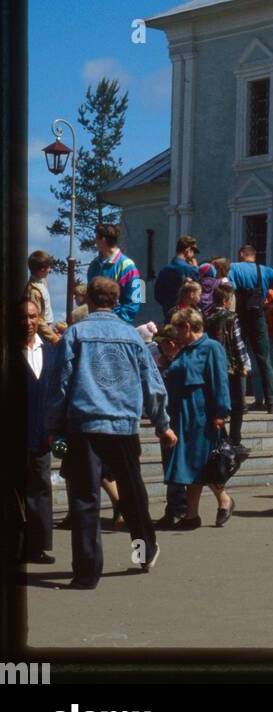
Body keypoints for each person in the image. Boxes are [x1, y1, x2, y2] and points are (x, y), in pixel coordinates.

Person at [44, 276, 173, 587]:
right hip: (123, 425)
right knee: (133, 493)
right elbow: (152, 386)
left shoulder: (76, 333)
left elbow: (60, 383)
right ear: (116, 301)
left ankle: (87, 572)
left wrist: (52, 425)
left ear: (88, 299)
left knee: (84, 497)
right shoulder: (132, 337)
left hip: (84, 424)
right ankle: (144, 550)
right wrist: (163, 424)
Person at [164, 307, 235, 528]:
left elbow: (219, 380)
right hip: (181, 414)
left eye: (177, 328)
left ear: (186, 326)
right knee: (190, 464)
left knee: (198, 463)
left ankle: (218, 502)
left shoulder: (211, 347)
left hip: (200, 415)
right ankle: (192, 514)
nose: (174, 333)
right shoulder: (185, 350)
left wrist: (221, 413)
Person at [228, 246, 273, 414]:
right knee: (264, 360)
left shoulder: (233, 267)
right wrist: (271, 302)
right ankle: (271, 403)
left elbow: (229, 288)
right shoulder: (265, 270)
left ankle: (240, 403)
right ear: (254, 257)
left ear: (241, 254)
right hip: (258, 317)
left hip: (240, 317)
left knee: (239, 359)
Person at [21, 298, 58, 564]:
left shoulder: (51, 353)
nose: (29, 322)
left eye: (33, 317)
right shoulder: (10, 352)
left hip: (42, 436)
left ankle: (38, 546)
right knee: (15, 494)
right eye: (23, 317)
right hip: (14, 435)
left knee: (41, 489)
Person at [148, 326, 189, 528]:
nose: (159, 346)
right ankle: (176, 507)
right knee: (171, 464)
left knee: (175, 464)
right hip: (168, 420)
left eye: (162, 342)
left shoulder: (180, 363)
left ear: (171, 344)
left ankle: (179, 508)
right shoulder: (164, 361)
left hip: (179, 420)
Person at [205, 285, 252, 456]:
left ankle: (221, 438)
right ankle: (235, 440)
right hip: (231, 366)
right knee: (238, 404)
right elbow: (237, 343)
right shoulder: (232, 318)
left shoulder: (207, 317)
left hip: (213, 366)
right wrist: (243, 365)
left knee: (219, 402)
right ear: (226, 300)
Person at [86, 223, 145, 325]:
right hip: (94, 323)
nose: (94, 241)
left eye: (96, 238)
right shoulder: (93, 265)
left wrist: (116, 320)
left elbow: (137, 300)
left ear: (103, 239)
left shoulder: (128, 266)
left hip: (118, 325)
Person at [154, 235, 201, 323]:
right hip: (186, 317)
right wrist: (196, 268)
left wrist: (168, 305)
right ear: (187, 250)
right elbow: (198, 292)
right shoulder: (190, 269)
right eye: (193, 252)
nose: (193, 255)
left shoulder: (165, 269)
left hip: (169, 314)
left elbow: (158, 295)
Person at [23, 250, 59, 331]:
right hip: (41, 332)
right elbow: (38, 319)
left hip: (48, 327)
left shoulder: (43, 282)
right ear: (42, 269)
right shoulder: (33, 291)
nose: (50, 270)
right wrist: (53, 337)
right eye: (49, 267)